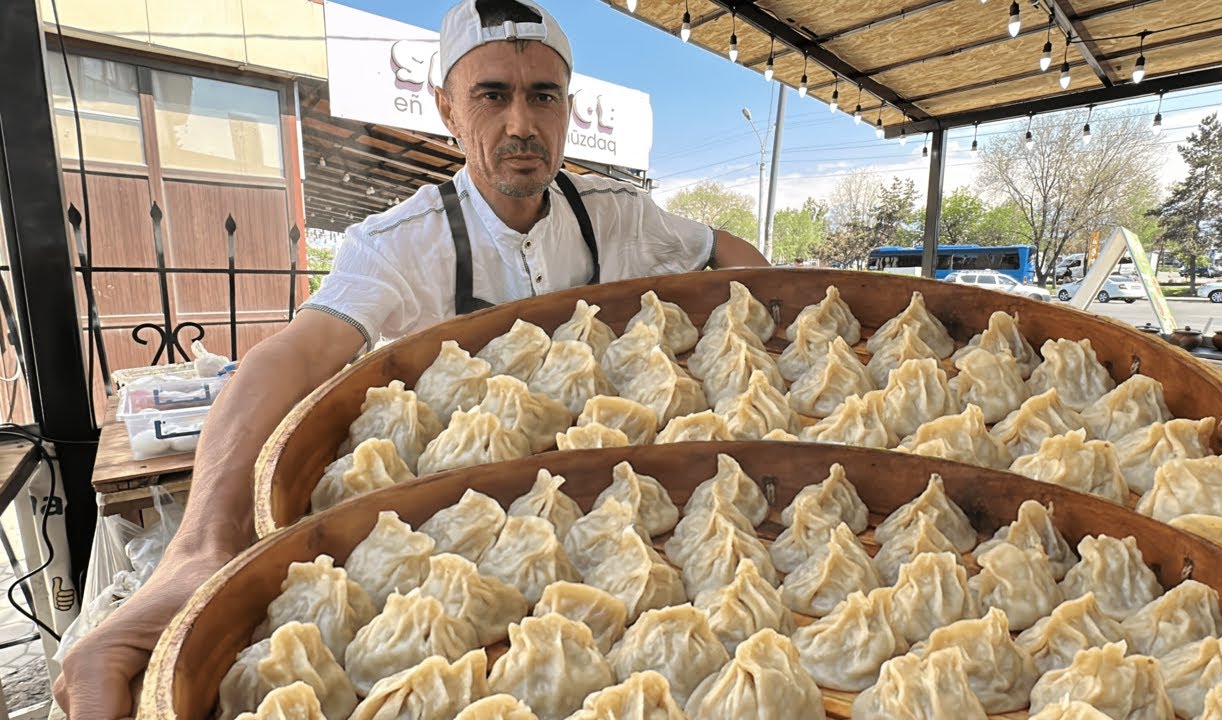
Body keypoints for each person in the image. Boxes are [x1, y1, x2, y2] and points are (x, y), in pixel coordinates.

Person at [53, 0, 767, 716]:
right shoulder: (398, 243)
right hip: (452, 546)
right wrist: (204, 545)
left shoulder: (619, 214)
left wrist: (748, 339)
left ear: (567, 109)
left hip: (626, 516)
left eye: (542, 95)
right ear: (448, 109)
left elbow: (733, 257)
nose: (520, 123)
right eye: (492, 95)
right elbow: (291, 361)